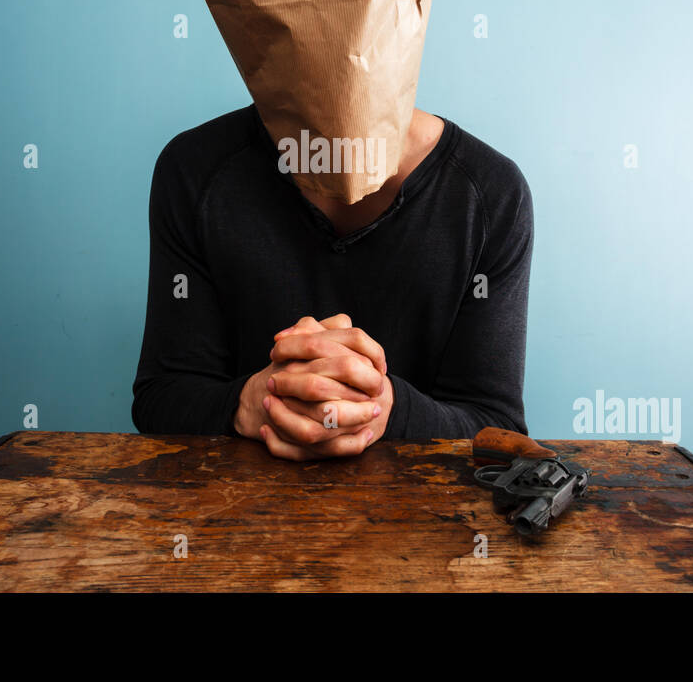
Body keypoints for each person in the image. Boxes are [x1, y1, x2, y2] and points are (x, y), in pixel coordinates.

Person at [130, 100, 533, 461]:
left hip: (428, 528)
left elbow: (499, 429)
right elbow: (160, 402)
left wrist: (383, 409)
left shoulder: (491, 194)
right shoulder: (193, 169)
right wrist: (251, 402)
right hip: (228, 521)